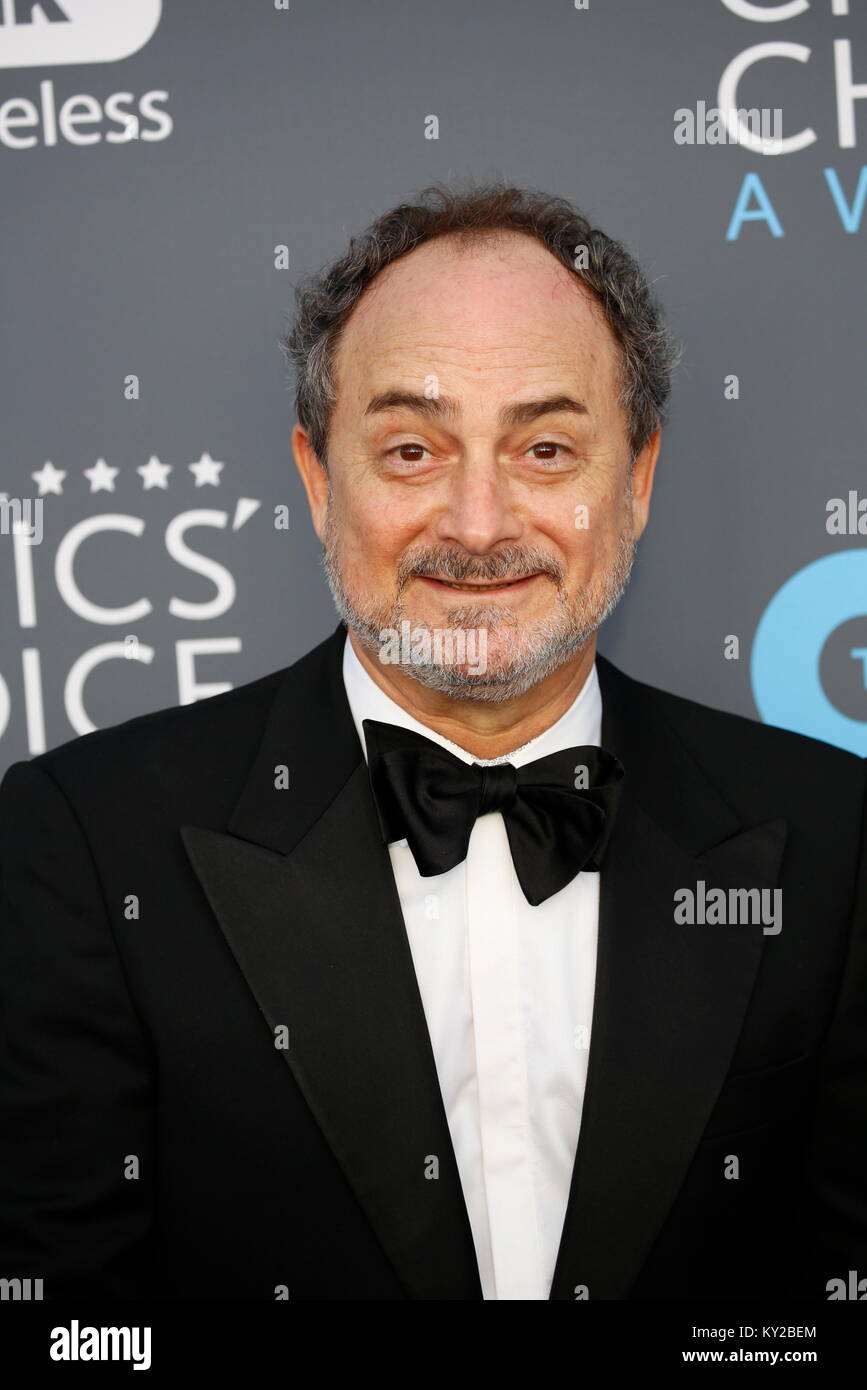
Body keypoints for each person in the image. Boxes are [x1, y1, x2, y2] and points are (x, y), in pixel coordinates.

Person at [1, 184, 865, 1301]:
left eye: (546, 448)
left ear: (638, 479)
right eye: (412, 450)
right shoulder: (84, 839)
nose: (478, 524)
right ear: (318, 480)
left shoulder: (835, 840)